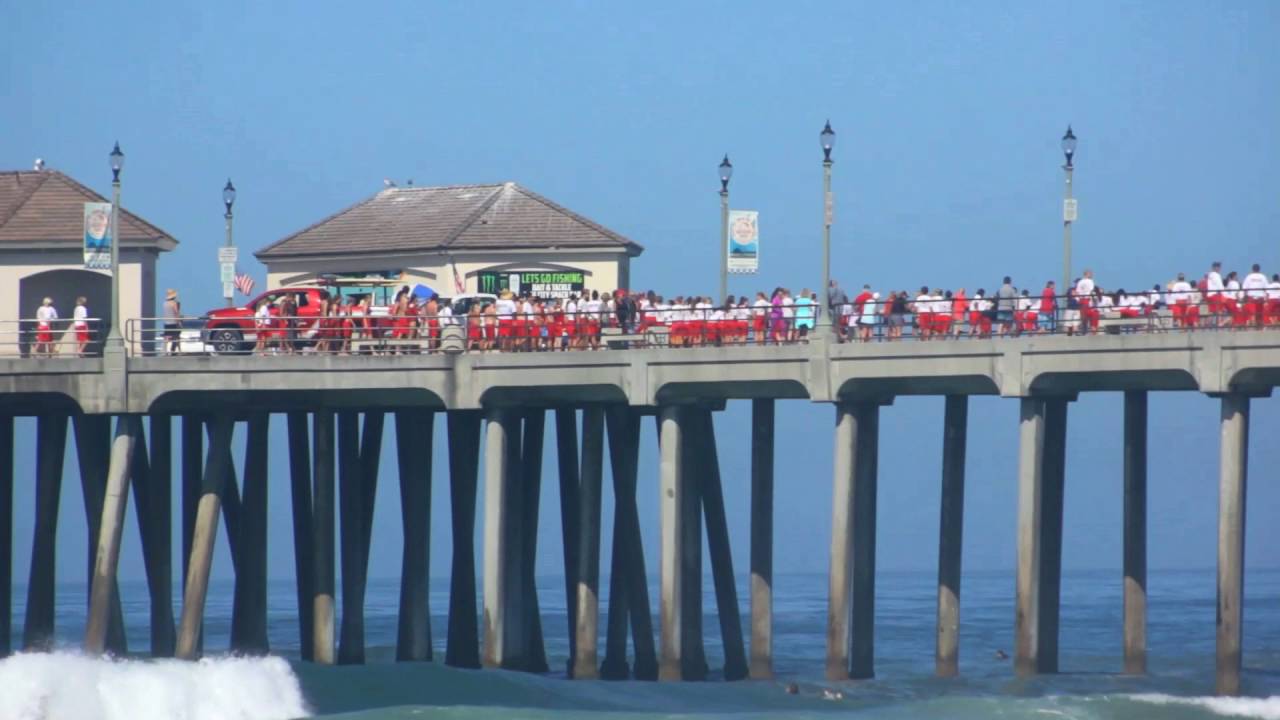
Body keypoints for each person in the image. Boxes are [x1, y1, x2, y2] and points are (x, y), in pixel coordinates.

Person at [163, 289, 182, 355]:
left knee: (167, 338)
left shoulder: (164, 303)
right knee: (176, 337)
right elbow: (176, 313)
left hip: (166, 323)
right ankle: (173, 350)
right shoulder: (173, 303)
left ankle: (165, 351)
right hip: (173, 323)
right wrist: (179, 321)